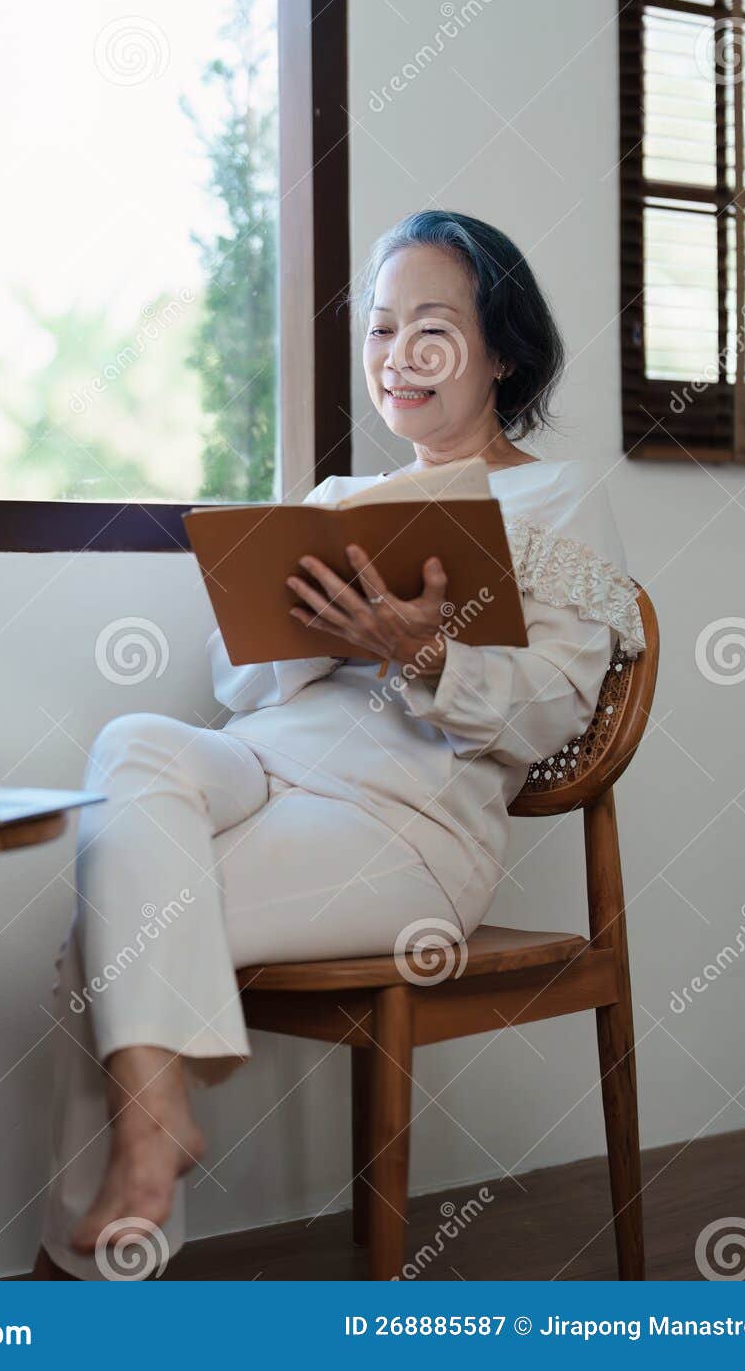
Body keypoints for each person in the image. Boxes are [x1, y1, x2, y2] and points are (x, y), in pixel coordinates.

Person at [33, 209, 644, 1279]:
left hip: (404, 826)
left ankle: (100, 1270)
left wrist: (421, 658)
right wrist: (318, 628)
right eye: (377, 329)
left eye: (432, 330)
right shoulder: (335, 502)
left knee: (107, 933)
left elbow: (554, 711)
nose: (396, 357)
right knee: (135, 741)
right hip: (261, 762)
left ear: (500, 350)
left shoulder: (555, 501)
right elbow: (238, 683)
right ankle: (147, 1145)